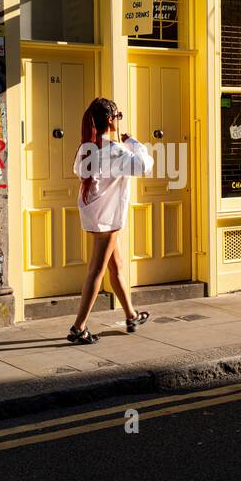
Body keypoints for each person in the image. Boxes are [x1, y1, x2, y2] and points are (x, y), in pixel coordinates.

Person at [68, 98, 154, 344]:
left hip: (97, 217)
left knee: (116, 267)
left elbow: (79, 171)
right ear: (110, 119)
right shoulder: (116, 151)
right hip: (108, 220)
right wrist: (133, 142)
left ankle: (131, 315)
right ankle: (78, 327)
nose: (119, 120)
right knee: (96, 271)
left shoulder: (87, 149)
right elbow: (145, 166)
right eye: (119, 116)